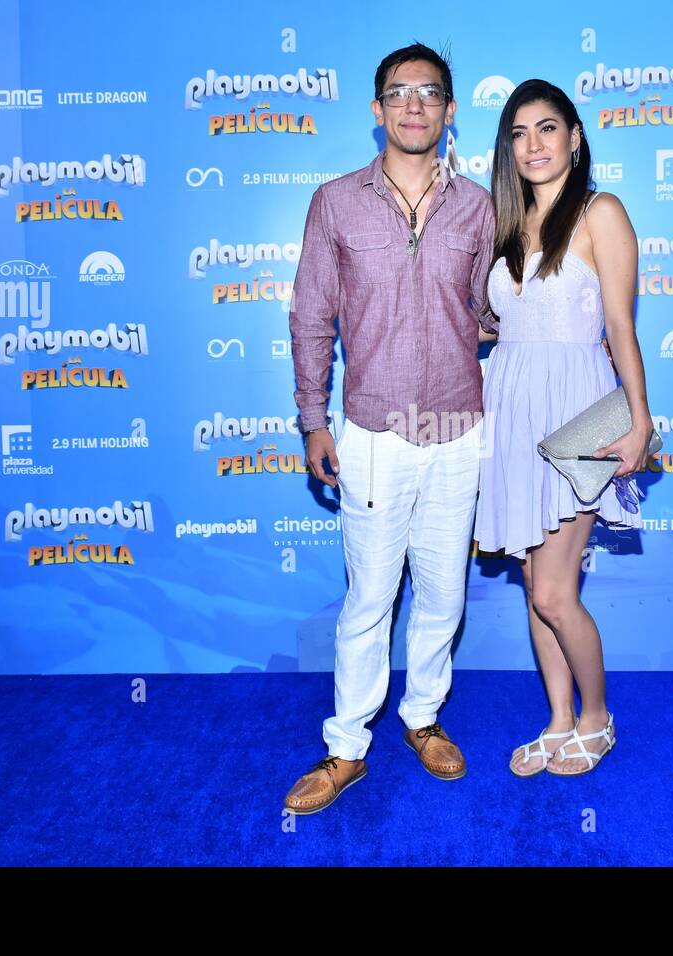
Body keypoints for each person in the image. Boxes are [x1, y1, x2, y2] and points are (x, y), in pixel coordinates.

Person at [282, 43, 497, 814]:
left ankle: (423, 717)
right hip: (372, 432)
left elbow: (489, 312)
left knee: (443, 593)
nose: (414, 106)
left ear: (448, 111)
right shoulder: (335, 202)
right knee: (369, 598)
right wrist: (313, 419)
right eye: (398, 94)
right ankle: (347, 747)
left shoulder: (480, 207)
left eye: (429, 93)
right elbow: (311, 316)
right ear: (377, 111)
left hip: (459, 430)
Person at [472, 78, 653, 777]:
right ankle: (556, 719)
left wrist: (639, 421)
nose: (533, 145)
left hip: (578, 410)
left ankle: (597, 716)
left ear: (575, 138)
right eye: (519, 134)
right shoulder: (506, 227)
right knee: (531, 579)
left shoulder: (601, 212)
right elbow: (506, 323)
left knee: (555, 591)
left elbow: (619, 327)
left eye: (547, 128)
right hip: (511, 408)